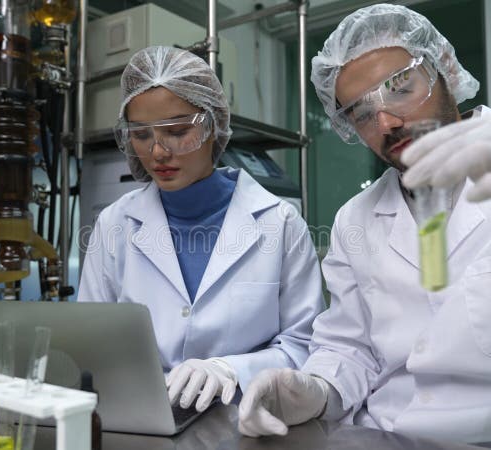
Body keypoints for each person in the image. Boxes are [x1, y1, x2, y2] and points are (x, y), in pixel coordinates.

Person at [237, 4, 491, 448]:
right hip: (386, 437)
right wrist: (314, 390)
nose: (386, 121)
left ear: (443, 68)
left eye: (400, 88)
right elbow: (350, 348)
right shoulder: (356, 218)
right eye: (362, 114)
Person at [77, 46, 324, 413]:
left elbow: (307, 347)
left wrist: (231, 369)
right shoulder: (114, 224)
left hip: (247, 419)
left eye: (177, 131)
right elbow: (90, 342)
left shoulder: (280, 222)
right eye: (142, 135)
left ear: (213, 125)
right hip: (146, 419)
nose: (158, 152)